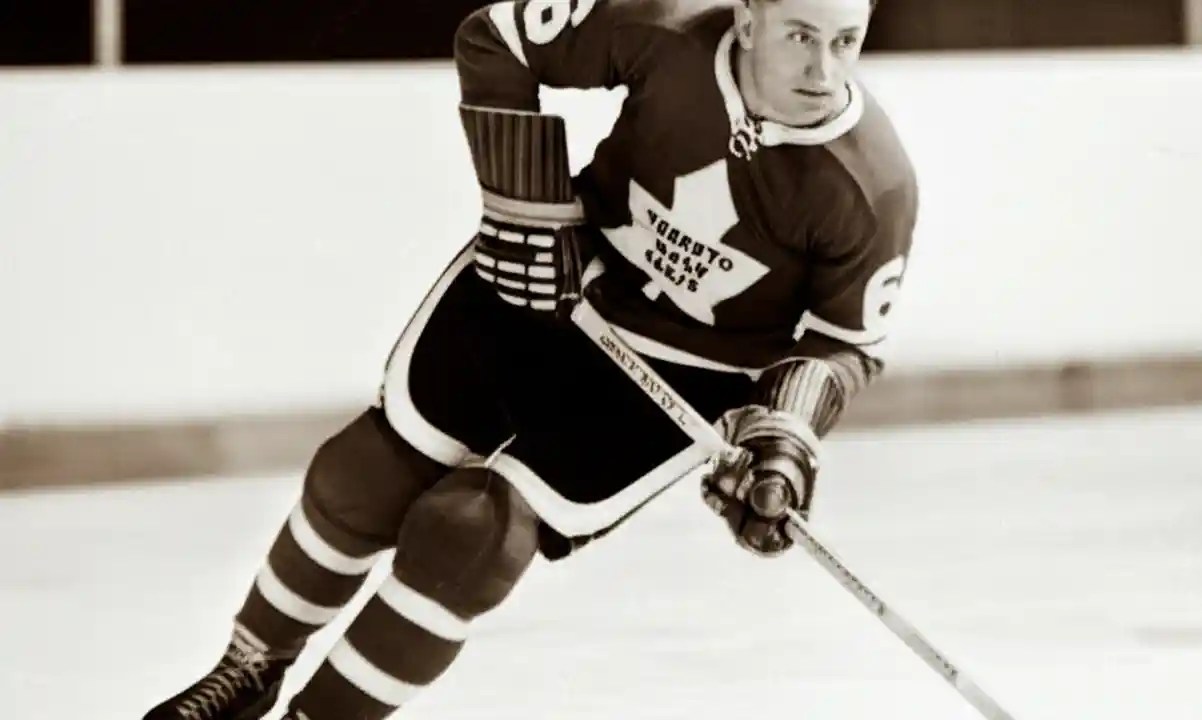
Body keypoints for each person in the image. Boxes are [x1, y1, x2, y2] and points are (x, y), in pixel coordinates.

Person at [142, 0, 916, 717]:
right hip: (556, 278)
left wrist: (783, 441)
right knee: (363, 476)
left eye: (846, 41)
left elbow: (843, 342)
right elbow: (497, 40)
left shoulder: (874, 187)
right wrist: (527, 210)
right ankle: (248, 668)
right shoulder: (666, 24)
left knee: (470, 534)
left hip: (684, 372)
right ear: (747, 21)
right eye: (800, 36)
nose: (824, 71)